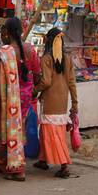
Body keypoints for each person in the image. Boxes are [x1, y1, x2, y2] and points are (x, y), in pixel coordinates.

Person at [0, 17, 39, 181]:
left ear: (6, 32)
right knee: (19, 132)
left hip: (8, 97)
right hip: (26, 97)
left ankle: (9, 164)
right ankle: (18, 163)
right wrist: (33, 92)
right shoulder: (30, 49)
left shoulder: (5, 51)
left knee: (4, 129)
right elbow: (37, 73)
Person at [34, 27, 77, 179]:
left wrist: (35, 90)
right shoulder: (68, 58)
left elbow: (45, 82)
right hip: (63, 101)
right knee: (55, 133)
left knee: (50, 134)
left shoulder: (46, 58)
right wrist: (75, 104)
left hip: (50, 102)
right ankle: (43, 159)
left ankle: (64, 165)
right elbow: (72, 82)